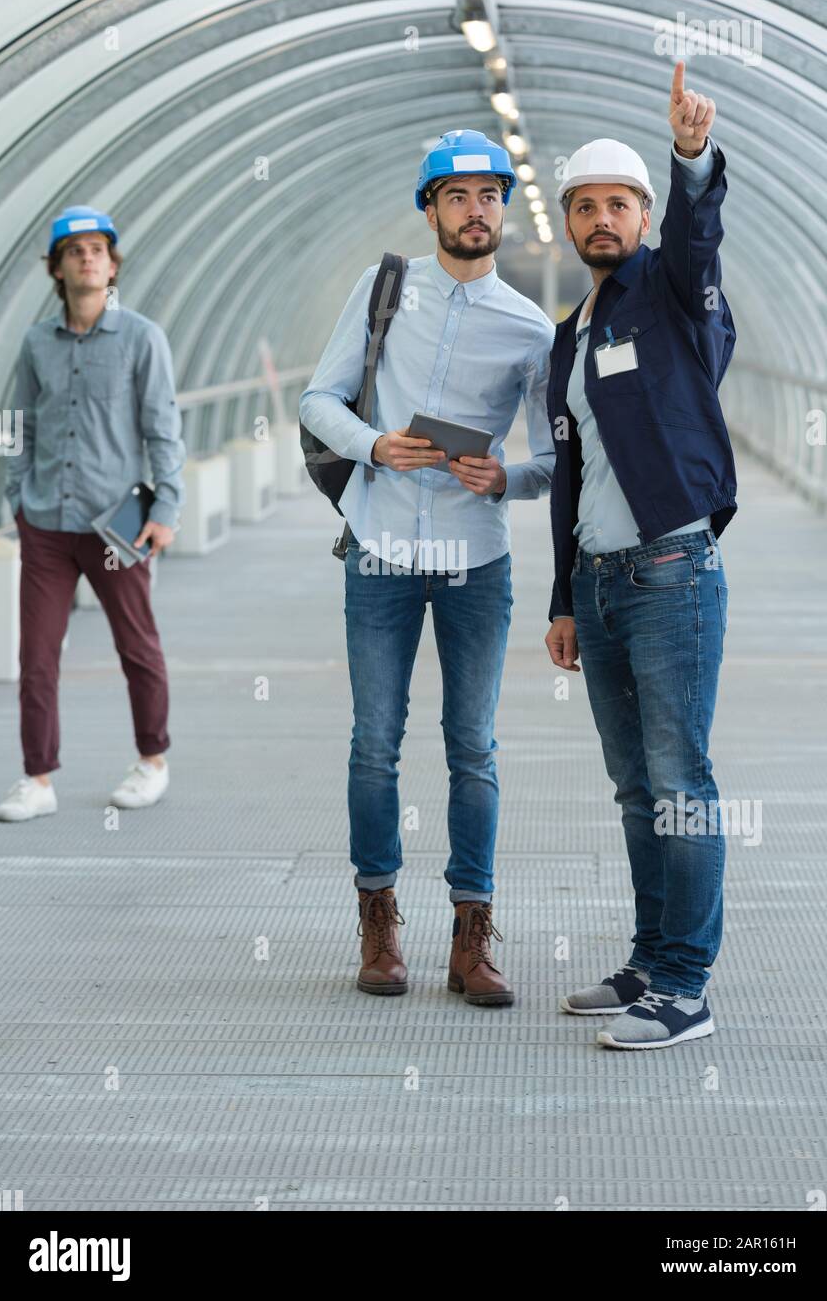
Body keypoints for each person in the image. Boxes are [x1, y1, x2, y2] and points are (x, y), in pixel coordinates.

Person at [300, 130, 555, 1005]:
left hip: (474, 560)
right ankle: (377, 923)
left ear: (502, 209)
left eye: (488, 194)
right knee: (375, 743)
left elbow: (558, 458)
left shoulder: (528, 327)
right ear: (430, 208)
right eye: (456, 195)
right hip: (379, 551)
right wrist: (373, 446)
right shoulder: (385, 290)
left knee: (472, 747)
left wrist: (507, 478)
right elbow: (317, 399)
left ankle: (471, 935)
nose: (474, 208)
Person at [545, 64, 738, 1048]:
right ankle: (650, 956)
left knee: (680, 780)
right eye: (586, 206)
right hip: (601, 580)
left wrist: (693, 157)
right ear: (568, 225)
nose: (603, 218)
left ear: (644, 213)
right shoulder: (569, 337)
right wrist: (562, 598)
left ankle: (686, 985)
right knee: (635, 786)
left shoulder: (673, 296)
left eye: (620, 202)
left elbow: (700, 240)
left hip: (671, 572)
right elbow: (571, 475)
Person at [0, 206, 186, 822]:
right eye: (74, 250)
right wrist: (17, 499)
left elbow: (164, 431)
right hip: (46, 524)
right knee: (37, 657)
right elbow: (20, 427)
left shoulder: (142, 338)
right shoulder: (34, 344)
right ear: (57, 267)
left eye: (97, 250)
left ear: (112, 264)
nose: (86, 258)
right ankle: (37, 778)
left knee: (137, 645)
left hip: (117, 523)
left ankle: (152, 762)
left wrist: (167, 505)